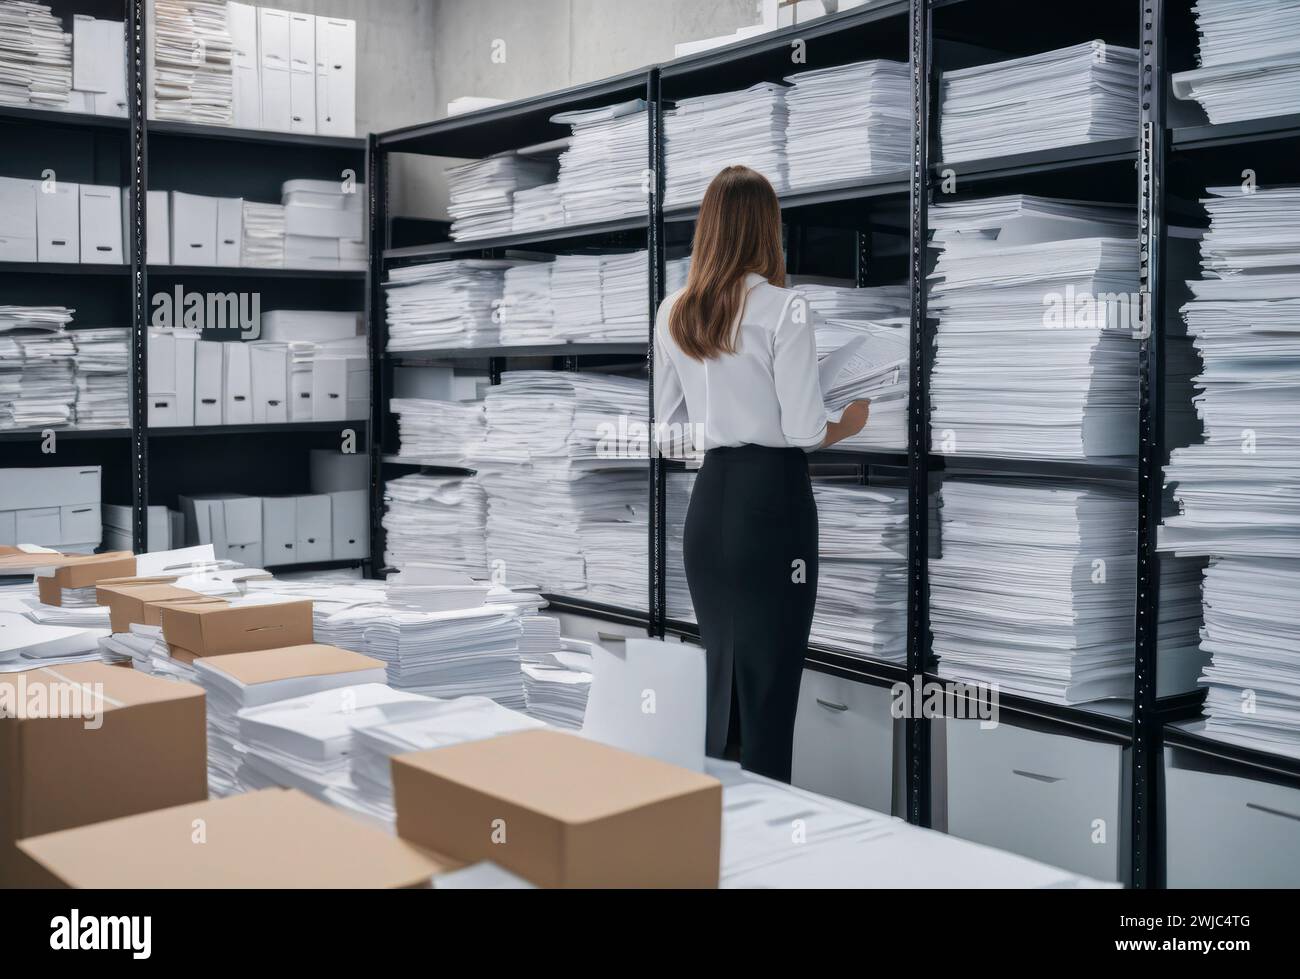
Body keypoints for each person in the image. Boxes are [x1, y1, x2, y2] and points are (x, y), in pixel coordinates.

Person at [654, 165, 872, 782]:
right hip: (772, 503)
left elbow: (666, 432)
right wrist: (847, 423)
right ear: (764, 230)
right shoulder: (786, 307)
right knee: (771, 683)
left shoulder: (674, 310)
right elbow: (805, 432)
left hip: (710, 502)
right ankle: (770, 840)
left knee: (721, 673)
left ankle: (714, 833)